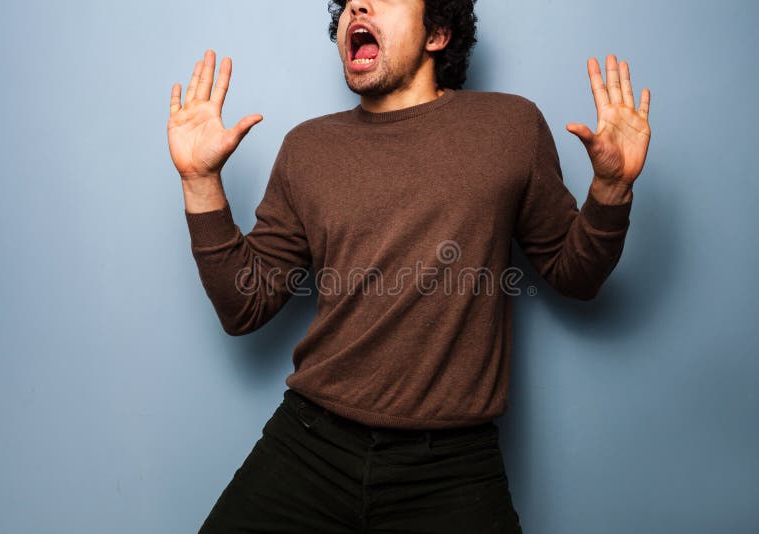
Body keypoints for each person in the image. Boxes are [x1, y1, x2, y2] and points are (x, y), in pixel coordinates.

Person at [166, 0, 651, 531]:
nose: (357, 5)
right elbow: (244, 305)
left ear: (436, 33)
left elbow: (575, 275)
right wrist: (199, 182)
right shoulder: (307, 147)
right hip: (310, 444)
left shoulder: (510, 127)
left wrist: (611, 189)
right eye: (349, 0)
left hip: (451, 468)